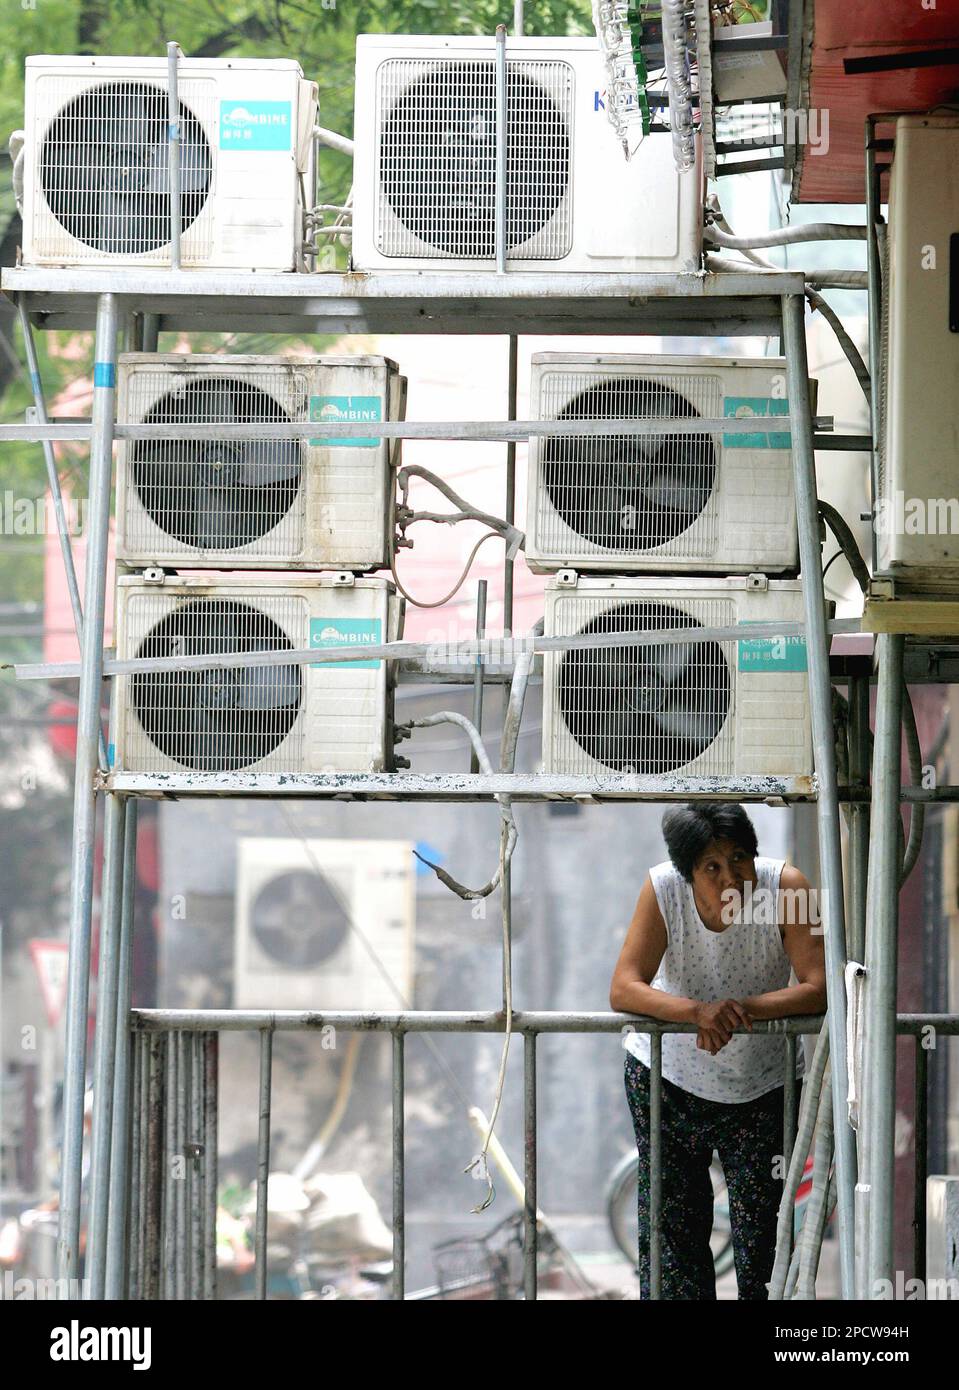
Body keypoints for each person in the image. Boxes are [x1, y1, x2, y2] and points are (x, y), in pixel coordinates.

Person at [609, 803, 826, 1300]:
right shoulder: (663, 888)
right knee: (673, 1231)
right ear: (687, 874)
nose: (732, 877)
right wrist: (696, 1013)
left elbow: (818, 987)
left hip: (764, 1086)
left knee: (765, 1237)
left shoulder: (785, 888)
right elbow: (624, 988)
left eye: (740, 858)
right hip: (669, 1079)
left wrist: (738, 1009)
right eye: (711, 866)